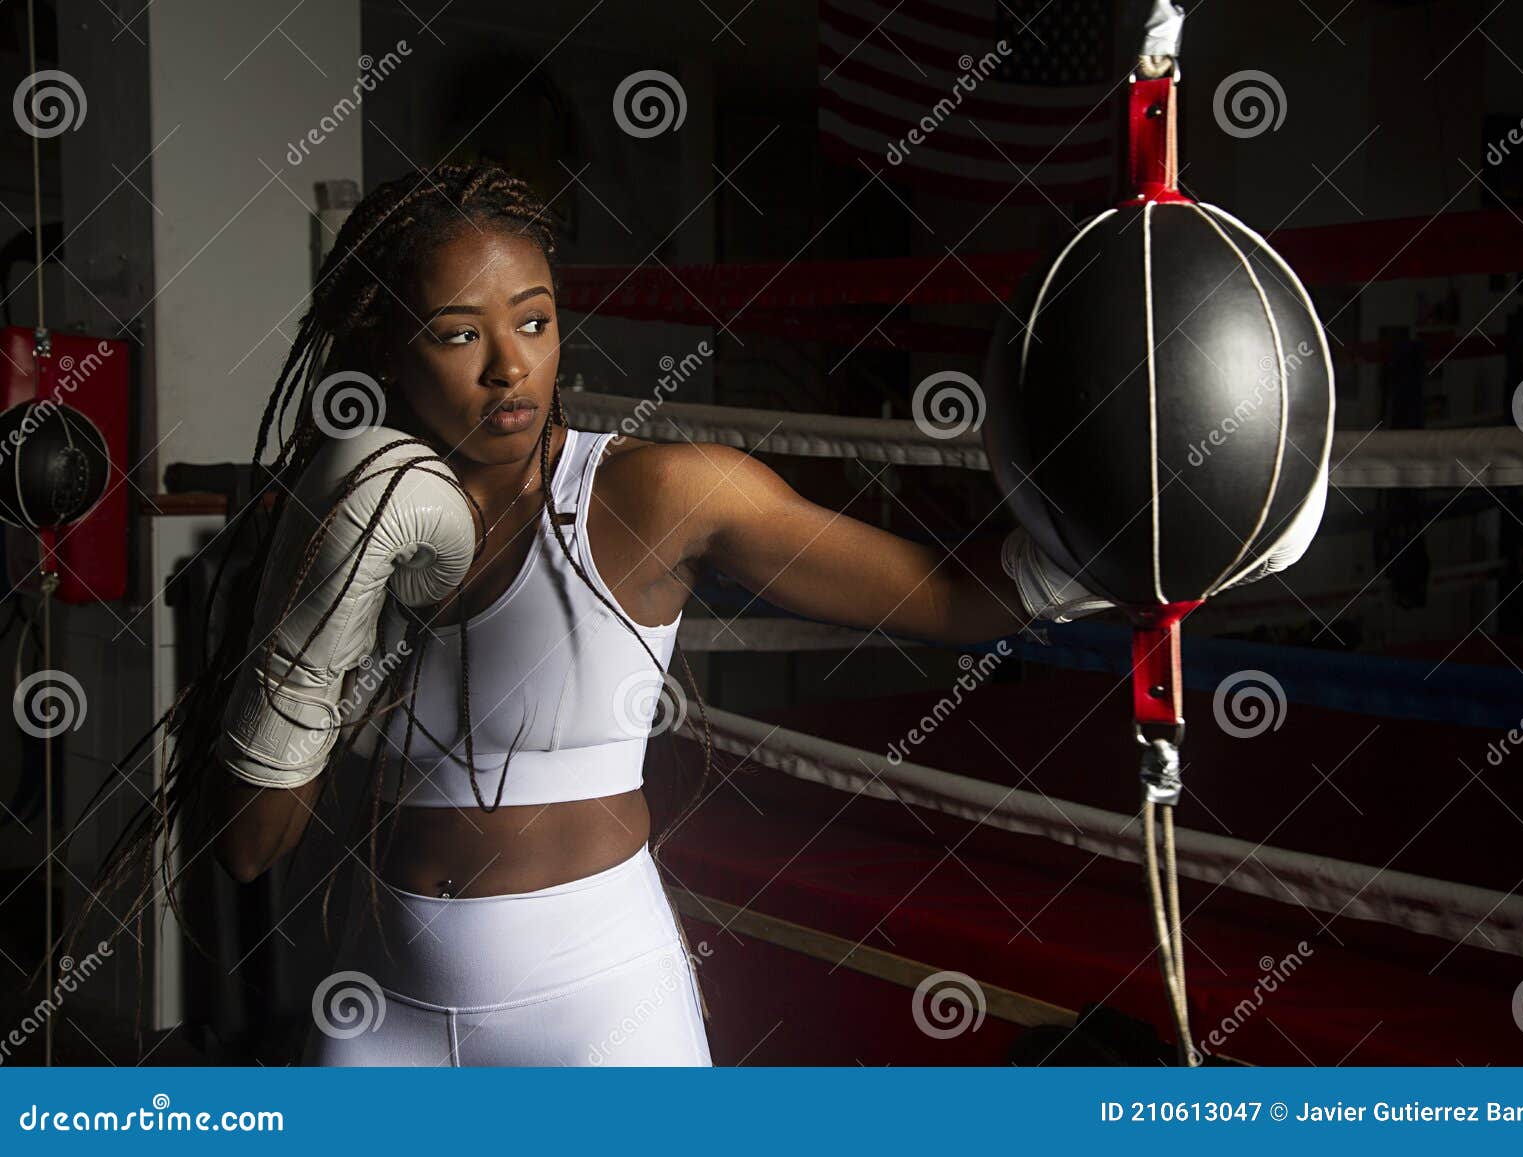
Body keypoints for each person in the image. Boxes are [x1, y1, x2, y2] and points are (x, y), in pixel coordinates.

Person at [76, 161, 1322, 1067]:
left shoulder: (657, 495)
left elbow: (956, 597)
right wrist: (322, 607)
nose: (511, 367)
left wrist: (1163, 528)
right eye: (459, 335)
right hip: (382, 1013)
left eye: (536, 321)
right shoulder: (351, 516)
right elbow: (247, 847)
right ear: (383, 345)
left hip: (595, 1008)